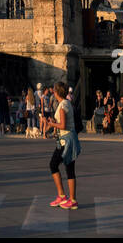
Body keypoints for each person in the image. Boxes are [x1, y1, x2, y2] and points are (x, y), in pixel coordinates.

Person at [45, 82, 81, 210]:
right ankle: (71, 199)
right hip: (68, 139)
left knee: (54, 165)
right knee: (68, 168)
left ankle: (63, 196)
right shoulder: (66, 103)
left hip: (66, 141)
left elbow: (63, 126)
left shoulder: (62, 106)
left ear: (56, 92)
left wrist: (51, 124)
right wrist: (54, 123)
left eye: (53, 91)